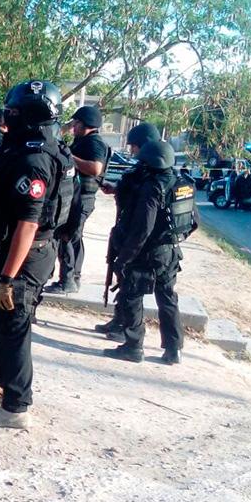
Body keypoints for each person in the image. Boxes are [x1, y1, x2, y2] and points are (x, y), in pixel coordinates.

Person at [0, 80, 74, 429]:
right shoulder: (33, 146)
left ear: (28, 116)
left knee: (13, 325)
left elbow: (27, 223)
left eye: (12, 113)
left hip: (23, 256)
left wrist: (7, 279)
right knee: (1, 320)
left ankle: (16, 408)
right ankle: (1, 382)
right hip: (12, 250)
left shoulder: (35, 159)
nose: (7, 118)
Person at [102, 140, 193, 365]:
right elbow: (194, 222)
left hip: (147, 253)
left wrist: (123, 258)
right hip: (170, 252)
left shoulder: (152, 187)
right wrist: (170, 238)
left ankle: (133, 346)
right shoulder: (181, 183)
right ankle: (174, 349)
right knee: (167, 298)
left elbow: (142, 229)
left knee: (131, 294)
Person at [93, 122, 161, 340]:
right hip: (125, 231)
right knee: (122, 280)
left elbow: (144, 214)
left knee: (130, 284)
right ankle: (118, 321)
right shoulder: (142, 170)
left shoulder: (155, 174)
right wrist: (115, 189)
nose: (132, 152)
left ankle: (126, 332)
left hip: (137, 239)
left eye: (135, 147)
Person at [45, 106, 109, 294]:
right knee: (74, 237)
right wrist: (66, 127)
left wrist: (69, 158)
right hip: (77, 197)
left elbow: (96, 168)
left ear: (85, 124)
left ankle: (68, 281)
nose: (73, 127)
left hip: (82, 199)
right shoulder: (84, 140)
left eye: (77, 123)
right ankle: (73, 278)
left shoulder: (94, 142)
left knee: (67, 236)